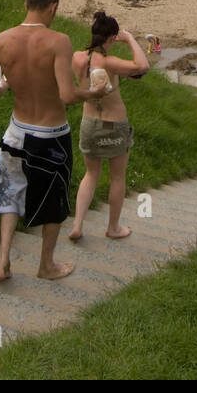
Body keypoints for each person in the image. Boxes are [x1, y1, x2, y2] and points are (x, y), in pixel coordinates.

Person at [0, 0, 110, 282]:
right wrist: (93, 94)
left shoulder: (2, 39)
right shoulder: (58, 41)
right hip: (50, 136)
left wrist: (10, 81)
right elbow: (67, 96)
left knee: (10, 193)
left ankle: (3, 260)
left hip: (14, 133)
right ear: (53, 7)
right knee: (53, 202)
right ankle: (46, 266)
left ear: (26, 4)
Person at [70, 12, 149, 242]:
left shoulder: (77, 58)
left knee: (91, 174)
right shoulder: (109, 63)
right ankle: (113, 227)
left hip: (89, 122)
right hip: (114, 125)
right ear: (111, 38)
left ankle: (77, 224)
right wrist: (131, 39)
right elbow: (142, 66)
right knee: (117, 177)